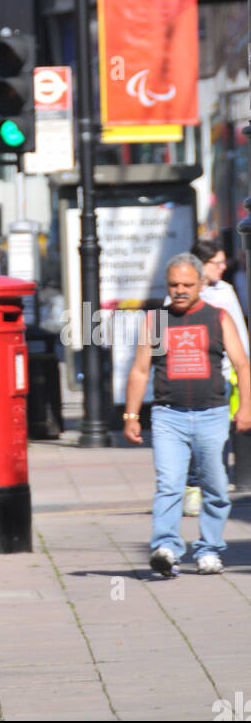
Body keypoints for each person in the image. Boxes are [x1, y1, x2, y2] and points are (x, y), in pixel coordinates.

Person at [124, 253, 251, 577]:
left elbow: (242, 365)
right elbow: (139, 371)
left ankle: (209, 550)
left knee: (216, 487)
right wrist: (131, 416)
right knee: (169, 484)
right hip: (168, 416)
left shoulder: (218, 317)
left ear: (200, 284)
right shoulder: (155, 321)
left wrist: (246, 408)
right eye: (173, 284)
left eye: (187, 285)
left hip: (212, 414)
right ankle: (166, 547)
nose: (179, 290)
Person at [180, 238, 250, 516]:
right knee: (187, 435)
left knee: (214, 437)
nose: (223, 267)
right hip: (183, 376)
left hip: (217, 377)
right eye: (217, 263)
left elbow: (241, 340)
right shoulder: (180, 291)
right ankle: (192, 485)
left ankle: (208, 489)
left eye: (223, 262)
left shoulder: (225, 291)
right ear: (200, 264)